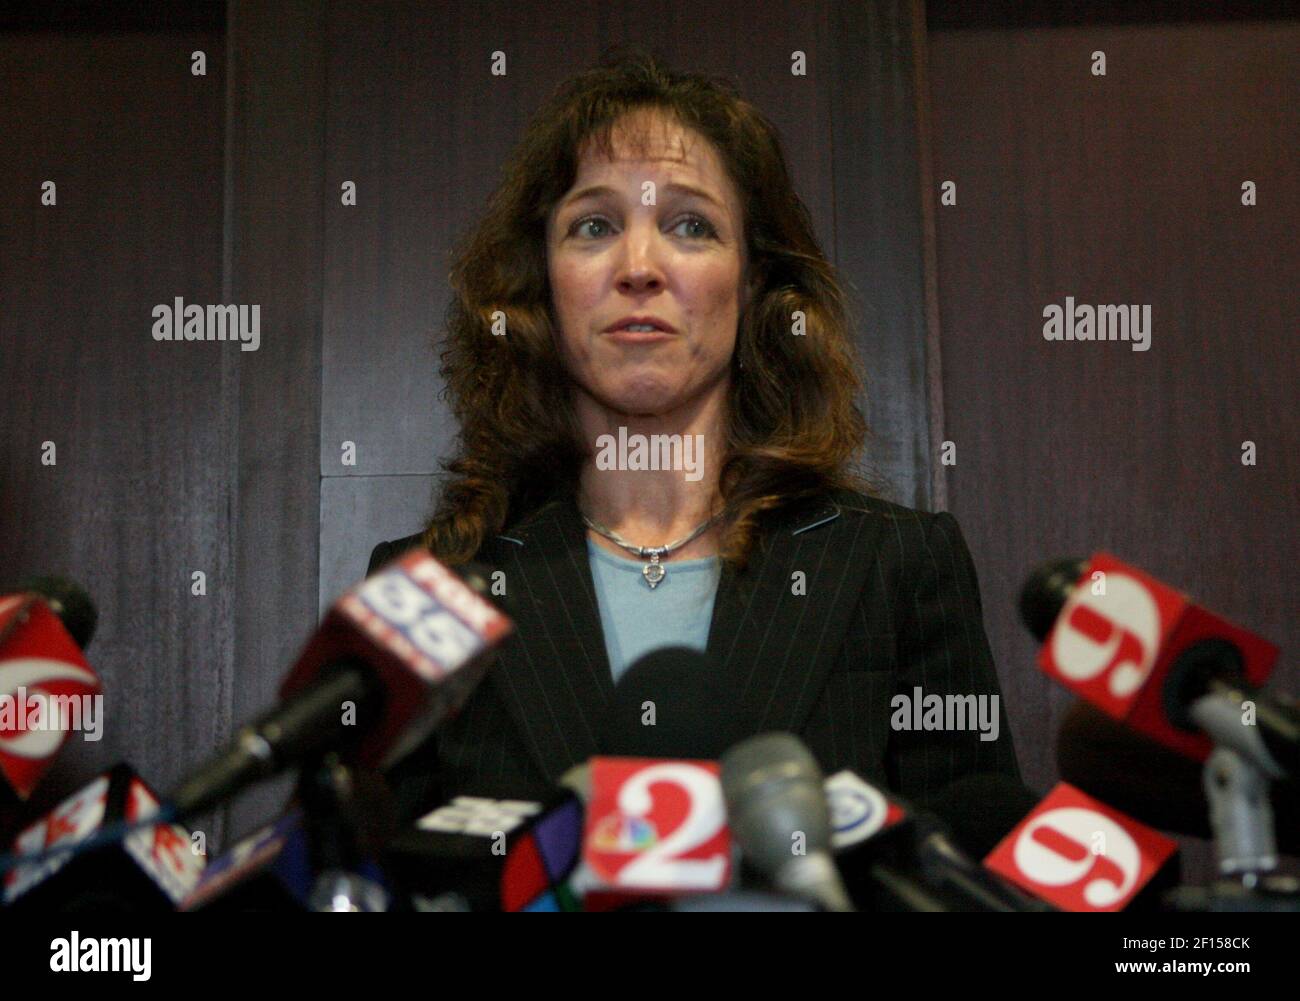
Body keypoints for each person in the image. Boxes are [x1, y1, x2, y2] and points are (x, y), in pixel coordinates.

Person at [367, 52, 1020, 823]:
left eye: (690, 225)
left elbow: (968, 868)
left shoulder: (899, 567)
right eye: (595, 225)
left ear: (752, 285)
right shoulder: (428, 589)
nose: (639, 267)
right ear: (540, 281)